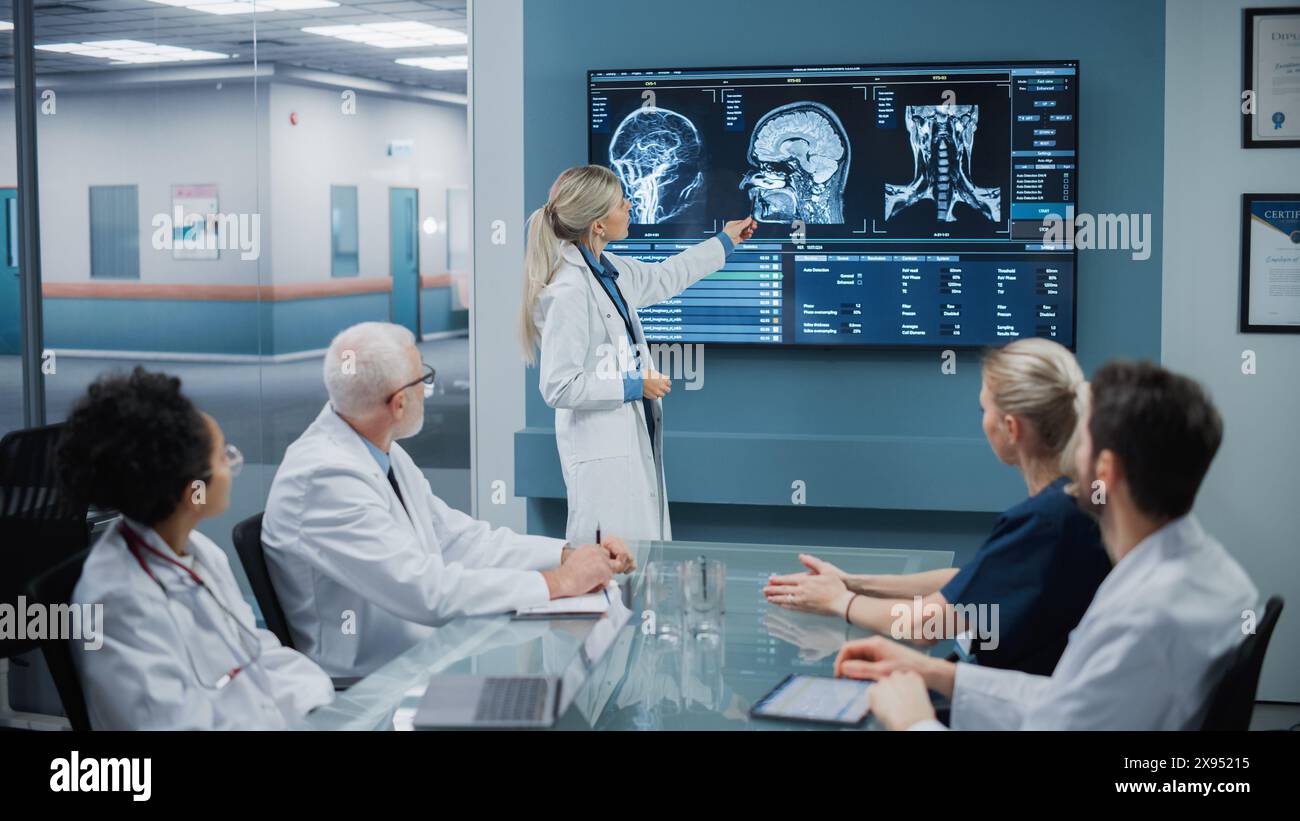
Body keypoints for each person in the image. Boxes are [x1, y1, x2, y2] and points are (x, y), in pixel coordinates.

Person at [838, 360, 1259, 730]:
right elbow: (1071, 703)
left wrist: (913, 721)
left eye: (1083, 439)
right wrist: (934, 673)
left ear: (1104, 472)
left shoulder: (1141, 621)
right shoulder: (1210, 573)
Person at [262, 321, 634, 678]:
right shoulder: (325, 479)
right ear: (399, 404)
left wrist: (568, 555)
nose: (427, 388)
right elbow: (427, 592)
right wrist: (559, 582)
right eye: (422, 380)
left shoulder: (376, 448)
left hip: (428, 656)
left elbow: (459, 540)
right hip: (373, 686)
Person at [764, 338, 1111, 675]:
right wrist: (854, 583)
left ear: (1010, 428)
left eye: (983, 409)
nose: (982, 422)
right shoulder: (1076, 503)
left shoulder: (1044, 522)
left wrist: (840, 602)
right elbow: (979, 579)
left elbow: (925, 626)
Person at [58, 367, 333, 730]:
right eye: (223, 457)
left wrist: (320, 707)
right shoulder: (119, 603)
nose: (233, 464)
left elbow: (253, 653)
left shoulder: (197, 550)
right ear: (193, 493)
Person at [520, 164, 755, 547]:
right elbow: (558, 387)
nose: (629, 206)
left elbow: (667, 276)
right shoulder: (568, 291)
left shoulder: (609, 272)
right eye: (620, 203)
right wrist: (635, 384)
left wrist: (725, 241)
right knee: (608, 567)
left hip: (628, 440)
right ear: (598, 224)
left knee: (638, 565)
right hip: (601, 455)